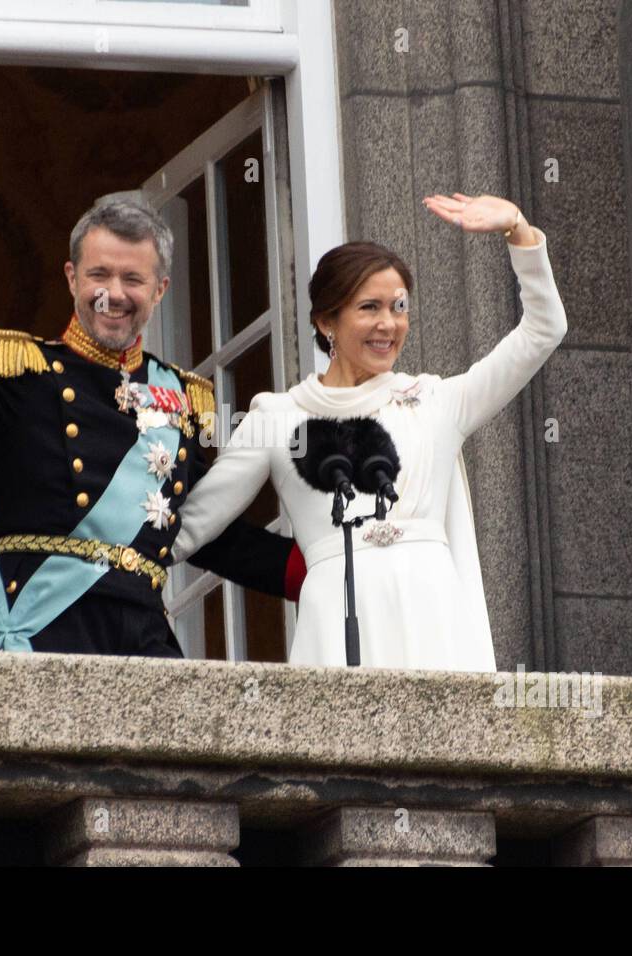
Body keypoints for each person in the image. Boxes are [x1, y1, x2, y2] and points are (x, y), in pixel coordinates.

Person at [0, 193, 305, 657]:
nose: (113, 294)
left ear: (160, 289)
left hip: (143, 641)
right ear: (72, 277)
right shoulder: (24, 374)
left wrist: (337, 567)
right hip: (44, 631)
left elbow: (214, 535)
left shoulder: (177, 399)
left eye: (132, 279)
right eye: (99, 274)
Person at [170, 192, 567, 671]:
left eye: (398, 307)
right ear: (326, 321)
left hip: (434, 616)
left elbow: (543, 331)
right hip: (336, 618)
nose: (388, 324)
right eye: (370, 308)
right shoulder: (277, 418)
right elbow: (190, 527)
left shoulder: (437, 401)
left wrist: (517, 230)